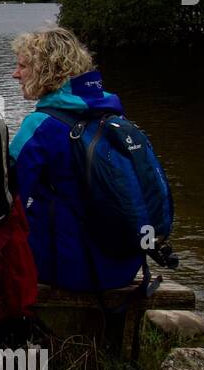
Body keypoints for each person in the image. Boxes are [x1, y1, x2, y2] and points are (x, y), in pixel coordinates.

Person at [8, 27, 145, 297]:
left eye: (22, 66)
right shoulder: (111, 114)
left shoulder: (40, 125)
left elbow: (7, 193)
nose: (15, 73)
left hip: (73, 270)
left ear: (46, 71)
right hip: (124, 263)